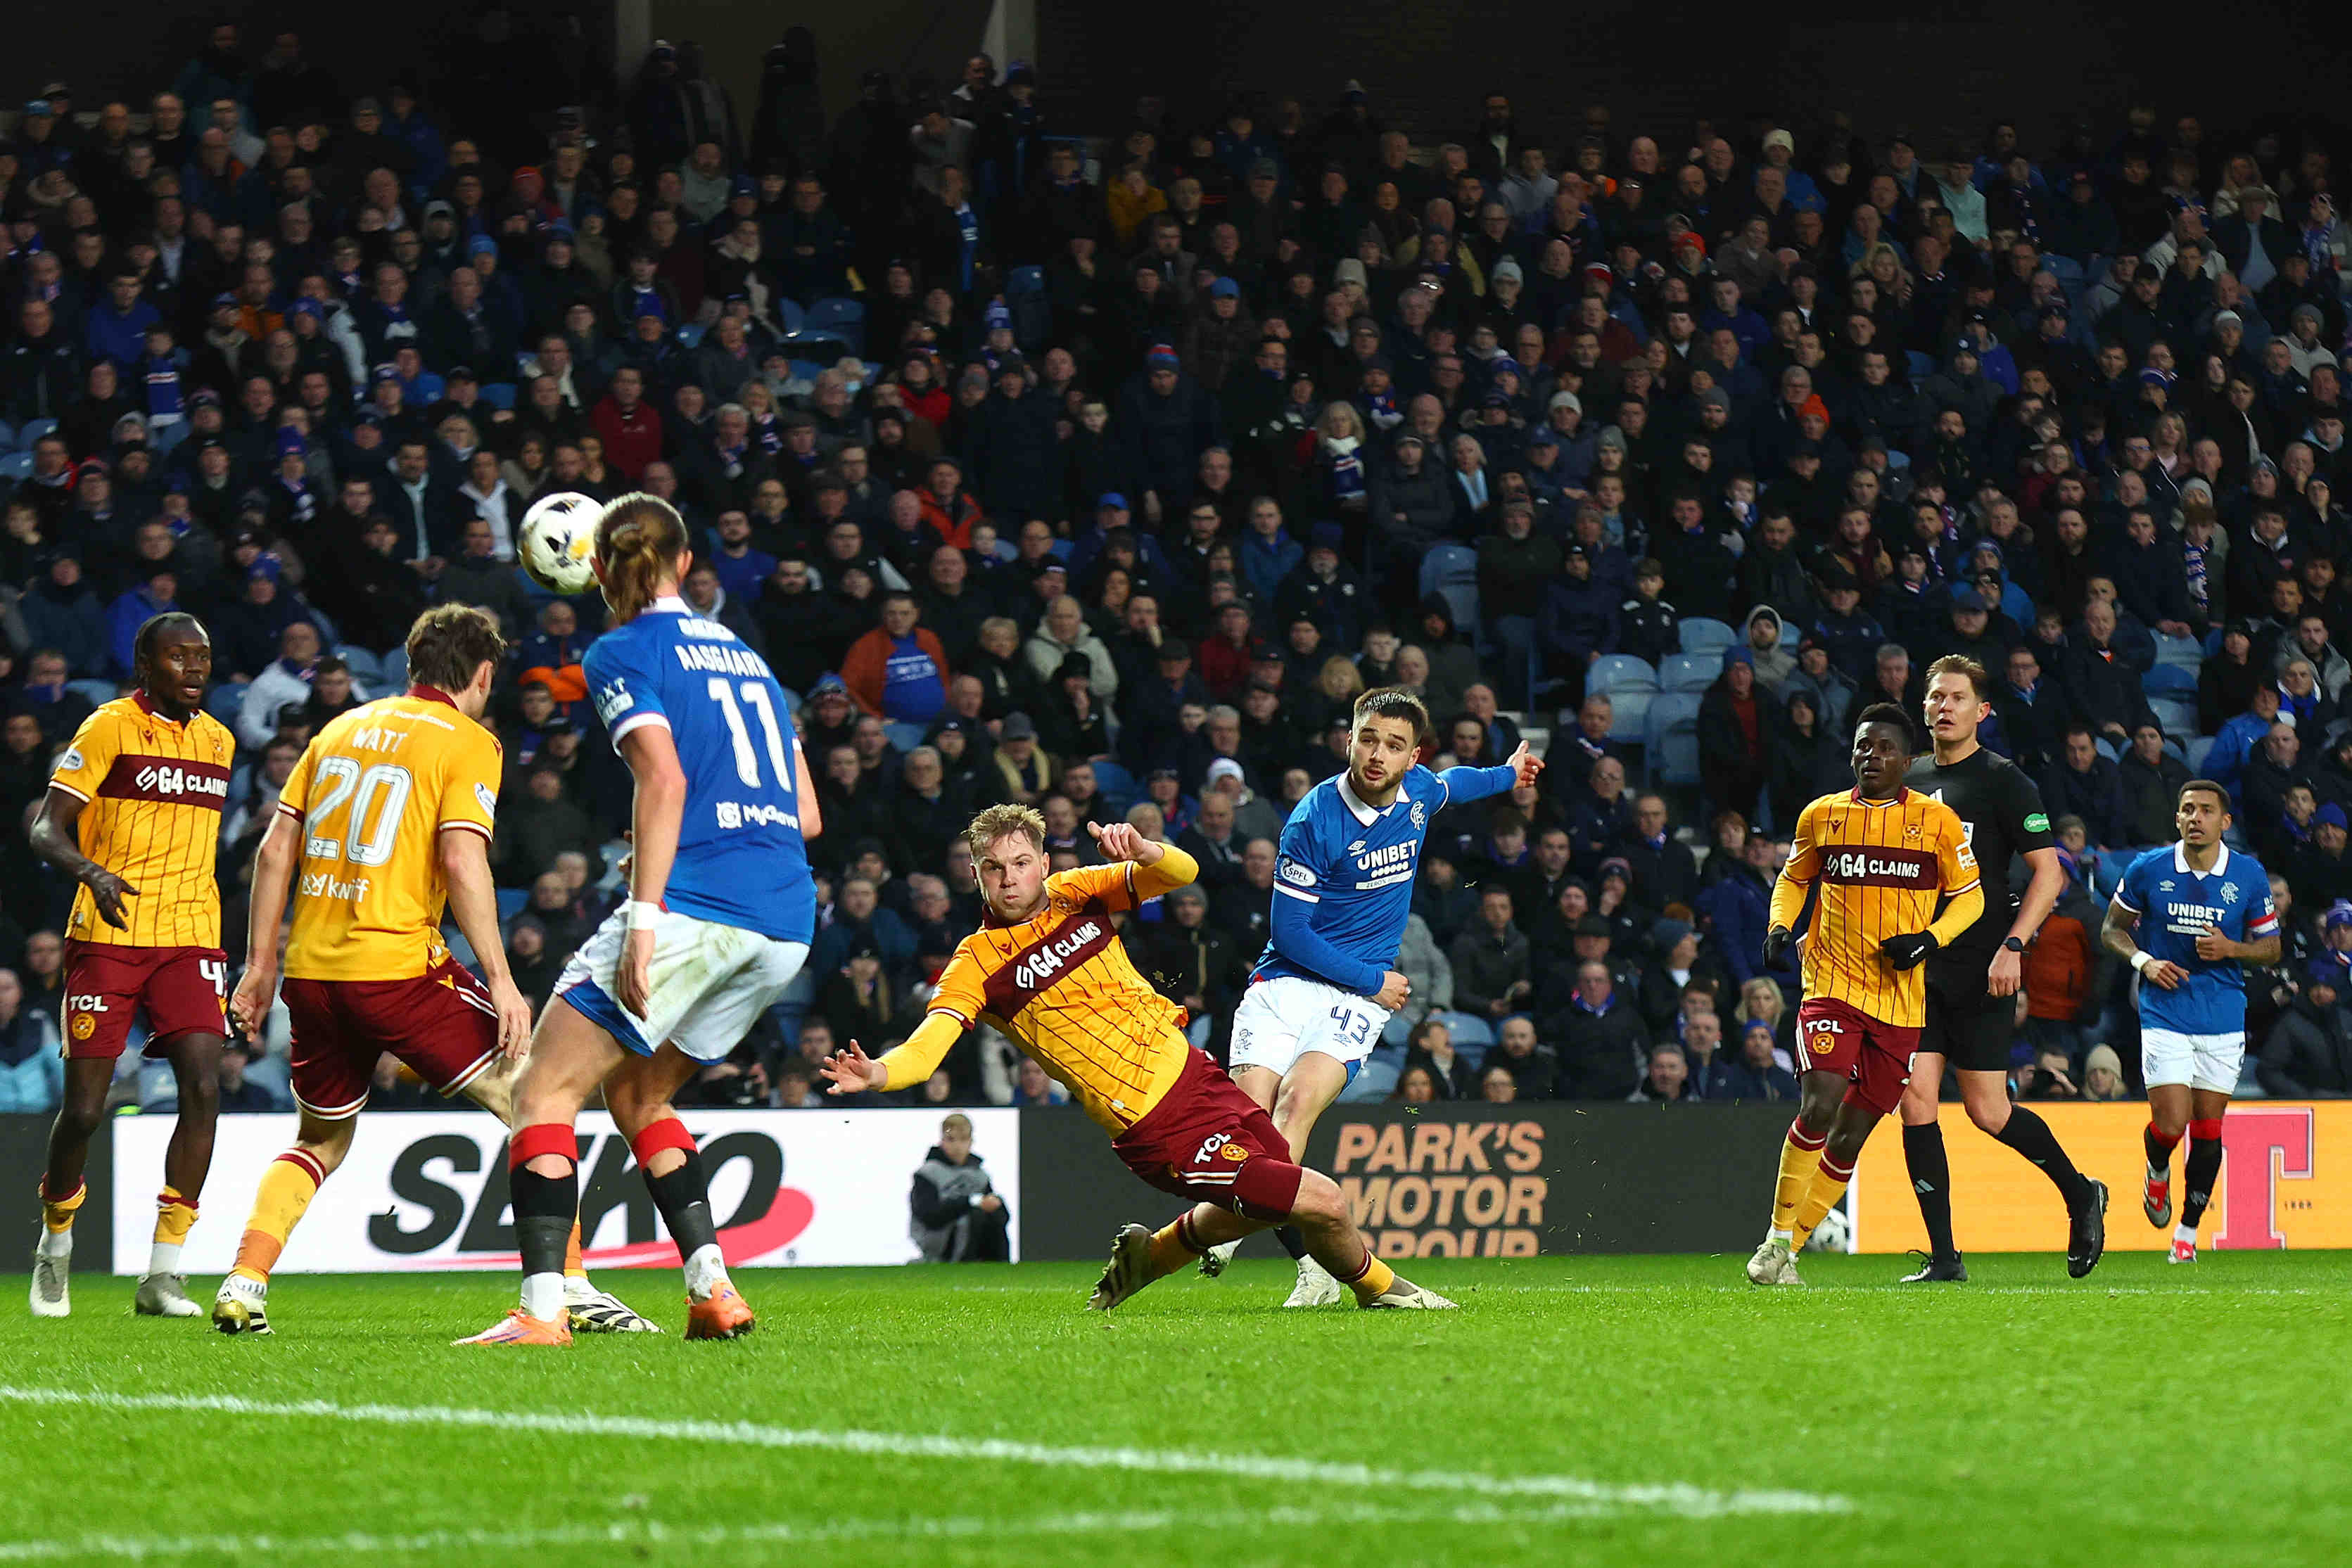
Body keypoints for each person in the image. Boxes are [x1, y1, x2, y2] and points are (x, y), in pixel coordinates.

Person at [820, 805, 1454, 1311]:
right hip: (1157, 1125)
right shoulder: (976, 962)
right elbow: (927, 1049)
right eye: (993, 867)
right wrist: (877, 1071)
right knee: (1325, 1200)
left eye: (1020, 862)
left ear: (1043, 862)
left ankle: (1150, 1258)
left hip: (1197, 1073)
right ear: (976, 874)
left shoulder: (1076, 892)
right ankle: (1383, 1291)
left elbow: (1180, 874)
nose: (1009, 877)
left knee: (1269, 1192)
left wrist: (1145, 849)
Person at [213, 606, 650, 1337]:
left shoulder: (339, 729)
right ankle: (569, 1286)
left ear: (414, 666)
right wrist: (503, 980)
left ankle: (243, 1281)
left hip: (314, 970)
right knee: (535, 1099)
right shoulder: (468, 741)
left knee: (319, 1139)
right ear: (482, 676)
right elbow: (461, 857)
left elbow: (273, 852)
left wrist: (258, 968)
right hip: (396, 967)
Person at [459, 493, 821, 1346]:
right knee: (638, 1090)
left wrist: (648, 915)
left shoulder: (621, 650)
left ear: (595, 570)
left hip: (697, 909)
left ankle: (543, 1311)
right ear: (686, 564)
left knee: (540, 1089)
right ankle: (711, 1290)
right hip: (784, 919)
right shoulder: (749, 658)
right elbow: (803, 814)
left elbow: (663, 781)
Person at [1198, 688, 1537, 1304]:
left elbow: (1455, 783)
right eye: (1368, 738)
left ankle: (1242, 1226)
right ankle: (1307, 1261)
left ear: (1412, 757)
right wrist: (1375, 980)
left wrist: (1507, 773)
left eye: (1394, 744)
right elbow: (1289, 933)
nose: (1378, 753)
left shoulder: (1418, 794)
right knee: (1249, 1131)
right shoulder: (1312, 818)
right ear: (1349, 739)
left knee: (1294, 1108)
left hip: (1349, 1000)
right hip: (1288, 981)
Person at [27, 613, 234, 1320]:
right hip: (110, 935)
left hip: (191, 936)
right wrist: (92, 872)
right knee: (84, 1110)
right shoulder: (108, 726)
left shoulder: (220, 740)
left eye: (203, 657)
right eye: (180, 657)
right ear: (146, 665)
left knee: (204, 1088)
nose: (196, 668)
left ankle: (163, 1274)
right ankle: (56, 1243)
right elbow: (43, 828)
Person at [1747, 704, 1985, 1287]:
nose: (1869, 757)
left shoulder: (1937, 822)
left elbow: (1971, 898)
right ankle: (1776, 1234)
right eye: (1861, 746)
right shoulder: (1821, 815)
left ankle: (1788, 1253)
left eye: (1882, 748)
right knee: (1819, 1103)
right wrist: (1781, 924)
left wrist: (1929, 939)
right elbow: (1794, 877)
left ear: (1907, 761)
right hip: (1830, 983)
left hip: (1900, 1003)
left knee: (1851, 1135)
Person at [1895, 656, 2106, 1282]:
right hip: (1915, 968)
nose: (1943, 706)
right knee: (1915, 1102)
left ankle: (2078, 1192)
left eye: (1957, 697)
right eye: (1935, 697)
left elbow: (2050, 871)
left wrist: (2014, 945)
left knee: (1986, 1110)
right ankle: (1943, 1258)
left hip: (1980, 965)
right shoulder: (1905, 779)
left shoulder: (2003, 780)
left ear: (1981, 711)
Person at [2102, 782, 2280, 1264]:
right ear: (2176, 819)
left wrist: (2232, 949)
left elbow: (2271, 947)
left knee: (2206, 1128)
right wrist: (2144, 961)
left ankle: (2187, 1228)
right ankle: (2156, 1168)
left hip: (2222, 1014)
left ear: (2224, 821)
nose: (2194, 817)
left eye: (2205, 810)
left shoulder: (2246, 874)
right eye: (2186, 810)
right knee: (2171, 1121)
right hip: (2165, 1010)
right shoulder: (2148, 868)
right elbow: (2110, 928)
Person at [910, 1111, 1009, 1261]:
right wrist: (970, 1202)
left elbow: (1004, 1218)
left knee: (993, 1215)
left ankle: (1000, 1272)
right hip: (938, 1238)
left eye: (963, 1140)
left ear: (970, 1142)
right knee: (973, 1217)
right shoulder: (927, 1174)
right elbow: (929, 1216)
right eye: (951, 1140)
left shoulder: (980, 1175)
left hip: (973, 1233)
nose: (957, 1146)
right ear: (942, 1141)